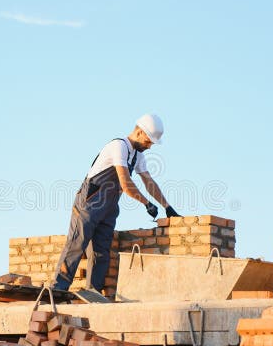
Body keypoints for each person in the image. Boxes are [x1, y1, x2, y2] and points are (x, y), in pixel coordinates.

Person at [53, 114, 181, 294]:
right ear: (139, 132)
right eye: (148, 141)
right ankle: (58, 288)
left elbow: (149, 182)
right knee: (77, 243)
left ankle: (93, 292)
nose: (149, 146)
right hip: (90, 202)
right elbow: (125, 183)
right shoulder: (118, 146)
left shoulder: (137, 155)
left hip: (109, 207)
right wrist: (146, 203)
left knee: (101, 253)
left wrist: (167, 207)